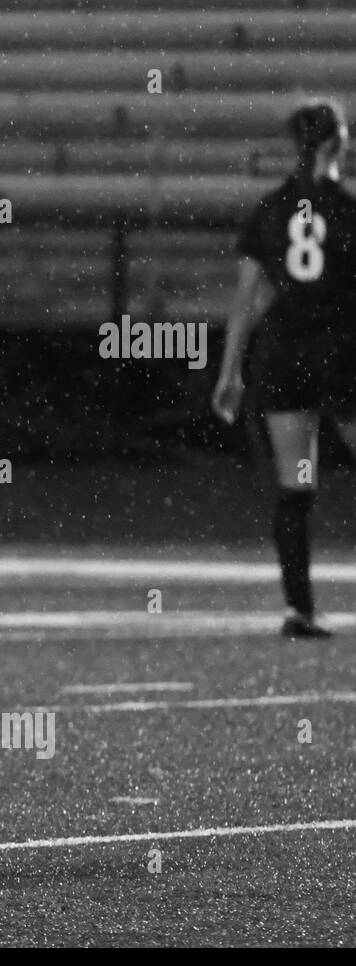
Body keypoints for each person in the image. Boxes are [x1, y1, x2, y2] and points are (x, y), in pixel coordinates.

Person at [212, 100, 356, 638]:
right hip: (341, 359)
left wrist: (230, 373)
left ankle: (300, 608)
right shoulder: (346, 210)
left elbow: (245, 300)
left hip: (285, 358)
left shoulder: (271, 210)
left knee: (297, 487)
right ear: (335, 145)